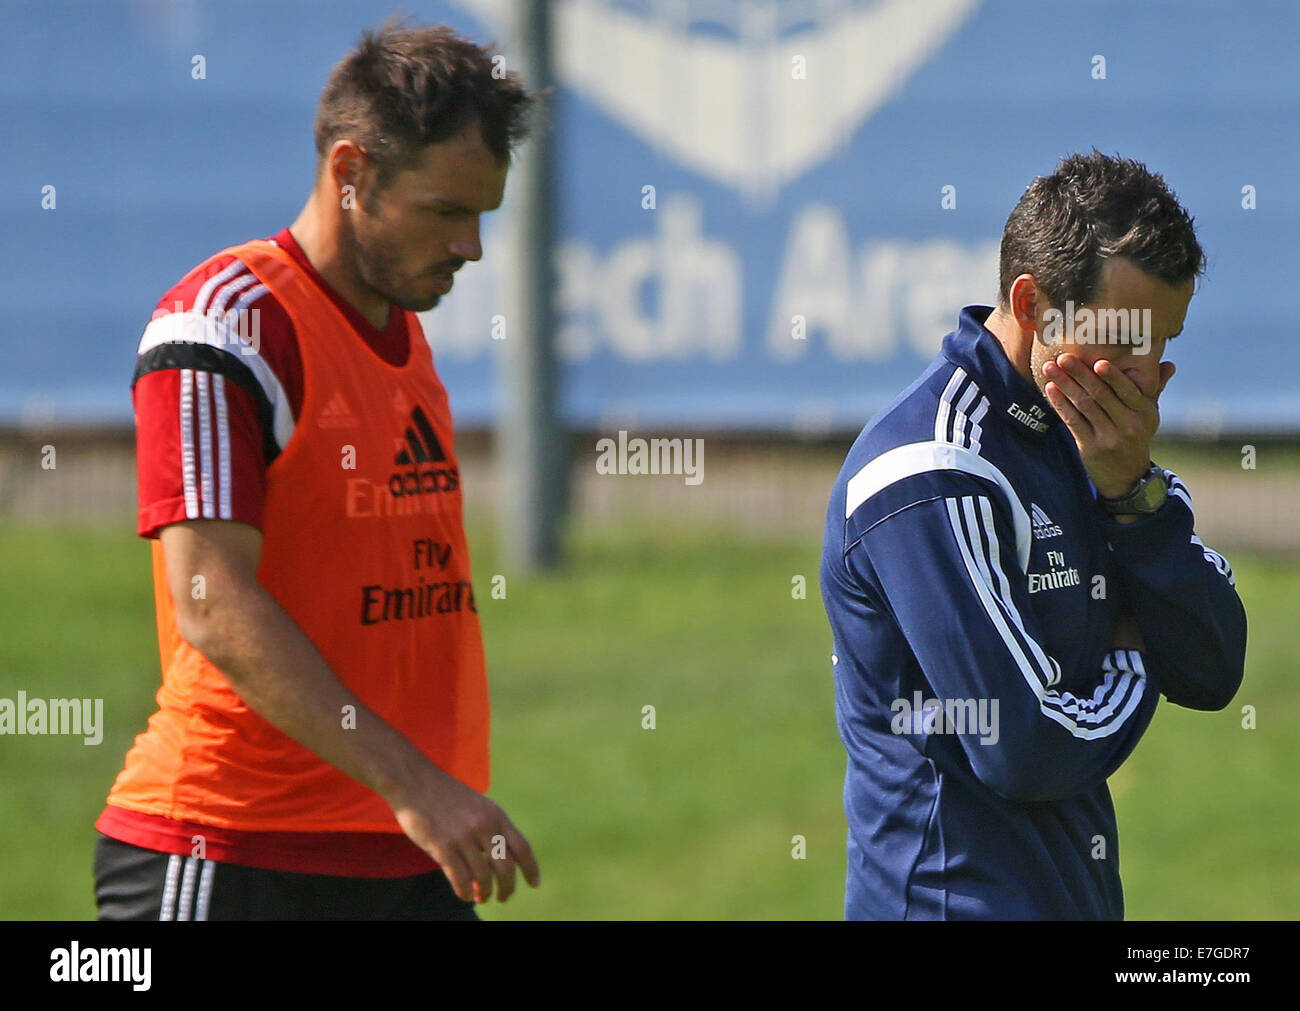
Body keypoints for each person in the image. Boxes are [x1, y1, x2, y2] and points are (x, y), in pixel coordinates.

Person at [93, 19, 540, 920]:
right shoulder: (226, 327)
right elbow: (211, 600)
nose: (472, 249)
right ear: (351, 173)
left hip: (398, 853)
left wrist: (422, 791)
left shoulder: (401, 332)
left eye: (483, 215)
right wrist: (418, 782)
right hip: (229, 850)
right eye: (447, 213)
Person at [819, 151, 1247, 920]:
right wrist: (1134, 647)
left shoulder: (1098, 447)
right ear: (1031, 303)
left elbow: (1214, 666)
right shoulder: (927, 468)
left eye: (1166, 340)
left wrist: (1135, 499)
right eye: (1124, 338)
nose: (1149, 375)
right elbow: (1022, 743)